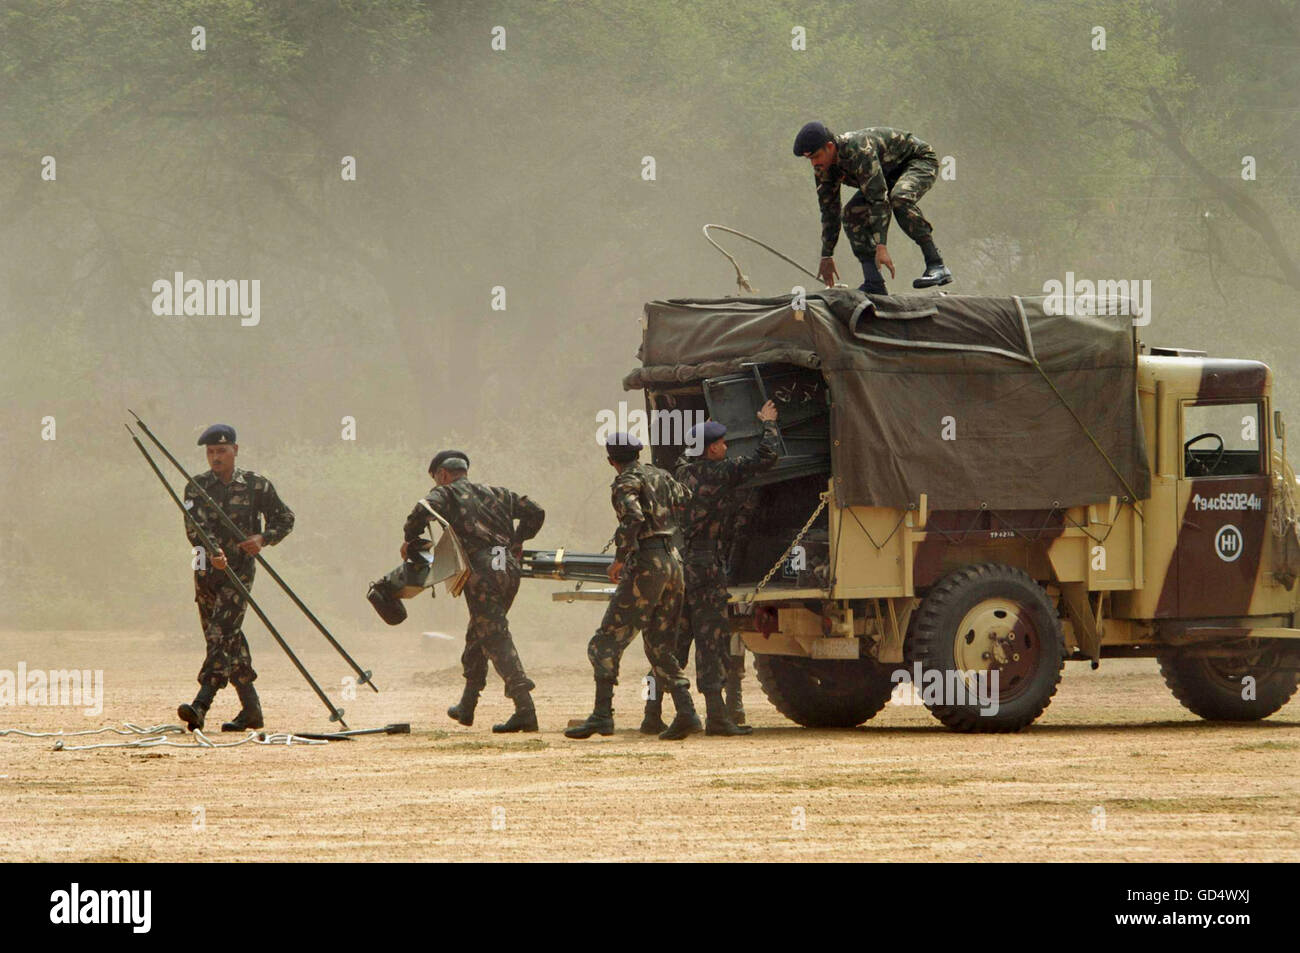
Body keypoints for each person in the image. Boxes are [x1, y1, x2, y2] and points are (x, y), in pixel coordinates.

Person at [642, 402, 780, 737]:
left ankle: (651, 712)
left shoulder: (681, 472)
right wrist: (769, 424)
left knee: (674, 643)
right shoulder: (719, 473)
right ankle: (717, 717)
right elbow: (766, 457)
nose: (727, 448)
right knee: (711, 640)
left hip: (678, 566)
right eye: (722, 444)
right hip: (705, 568)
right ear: (712, 448)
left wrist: (700, 431)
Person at [566, 433, 700, 741]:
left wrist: (619, 559)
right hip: (672, 563)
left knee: (603, 644)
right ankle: (687, 713)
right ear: (638, 453)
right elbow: (685, 497)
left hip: (647, 565)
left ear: (611, 460)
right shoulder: (660, 475)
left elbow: (634, 517)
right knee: (660, 645)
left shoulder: (625, 482)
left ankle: (602, 716)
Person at [402, 450, 544, 732]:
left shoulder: (447, 494)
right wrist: (517, 539)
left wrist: (411, 540)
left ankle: (525, 707)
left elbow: (421, 510)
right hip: (507, 565)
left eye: (436, 479)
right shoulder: (497, 492)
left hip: (482, 570)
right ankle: (468, 704)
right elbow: (536, 511)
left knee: (494, 634)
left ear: (442, 474)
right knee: (482, 629)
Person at [177, 424, 295, 732]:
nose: (215, 458)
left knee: (220, 633)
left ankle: (202, 703)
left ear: (235, 451)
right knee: (226, 637)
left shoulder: (257, 485)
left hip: (239, 573)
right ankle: (251, 710)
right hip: (205, 569)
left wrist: (262, 539)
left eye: (221, 451)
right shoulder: (196, 487)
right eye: (210, 452)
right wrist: (213, 551)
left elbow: (285, 518)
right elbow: (194, 527)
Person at [793, 120, 953, 295]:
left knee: (900, 198)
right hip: (887, 174)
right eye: (809, 159)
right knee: (851, 214)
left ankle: (936, 264)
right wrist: (827, 254)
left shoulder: (859, 150)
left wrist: (881, 246)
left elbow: (878, 199)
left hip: (917, 161)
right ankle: (874, 282)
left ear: (830, 147)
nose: (813, 163)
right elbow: (829, 211)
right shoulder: (823, 168)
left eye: (815, 156)